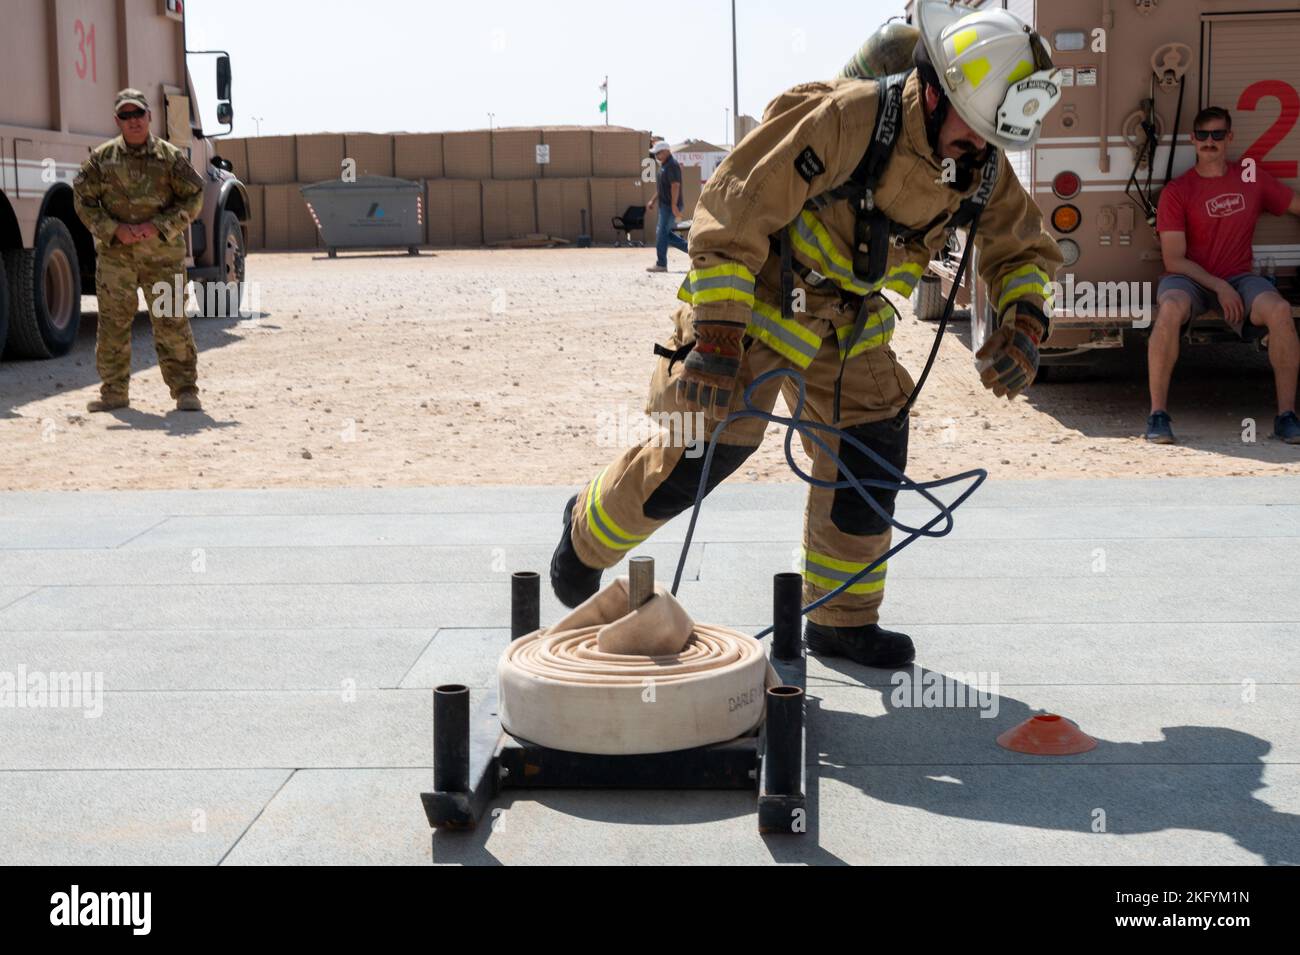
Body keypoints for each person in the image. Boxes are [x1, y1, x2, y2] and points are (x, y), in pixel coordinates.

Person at [551, 2, 1063, 667]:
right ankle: (586, 533)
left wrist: (1024, 318)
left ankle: (841, 614)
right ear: (935, 93)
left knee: (872, 444)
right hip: (760, 299)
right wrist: (717, 337)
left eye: (995, 140)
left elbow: (1021, 247)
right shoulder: (848, 119)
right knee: (704, 448)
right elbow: (732, 210)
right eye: (976, 133)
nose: (982, 153)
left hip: (846, 326)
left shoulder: (979, 161)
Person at [1146, 106, 1300, 444]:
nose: (1209, 141)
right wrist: (1219, 287)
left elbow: (1294, 204)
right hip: (1190, 279)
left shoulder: (1250, 176)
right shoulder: (1179, 190)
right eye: (1202, 135)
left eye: (1217, 134)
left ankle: (1286, 417)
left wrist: (1230, 286)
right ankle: (1158, 416)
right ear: (1192, 139)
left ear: (1229, 137)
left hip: (1240, 277)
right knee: (1169, 308)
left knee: (1281, 311)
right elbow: (1174, 259)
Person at [73, 88, 206, 413]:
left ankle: (185, 391)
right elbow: (82, 199)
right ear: (117, 120)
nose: (133, 121)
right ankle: (114, 392)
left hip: (162, 257)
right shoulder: (100, 159)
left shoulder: (171, 157)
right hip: (117, 258)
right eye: (126, 115)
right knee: (113, 324)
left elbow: (195, 197)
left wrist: (159, 225)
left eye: (138, 114)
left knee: (171, 321)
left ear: (149, 116)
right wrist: (112, 229)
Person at [645, 141, 689, 272]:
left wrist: (674, 205)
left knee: (661, 233)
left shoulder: (672, 165)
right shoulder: (664, 166)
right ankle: (693, 250)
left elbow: (675, 185)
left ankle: (661, 264)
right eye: (656, 154)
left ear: (666, 151)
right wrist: (653, 201)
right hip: (665, 206)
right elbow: (662, 188)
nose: (657, 156)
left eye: (658, 153)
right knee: (665, 234)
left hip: (670, 206)